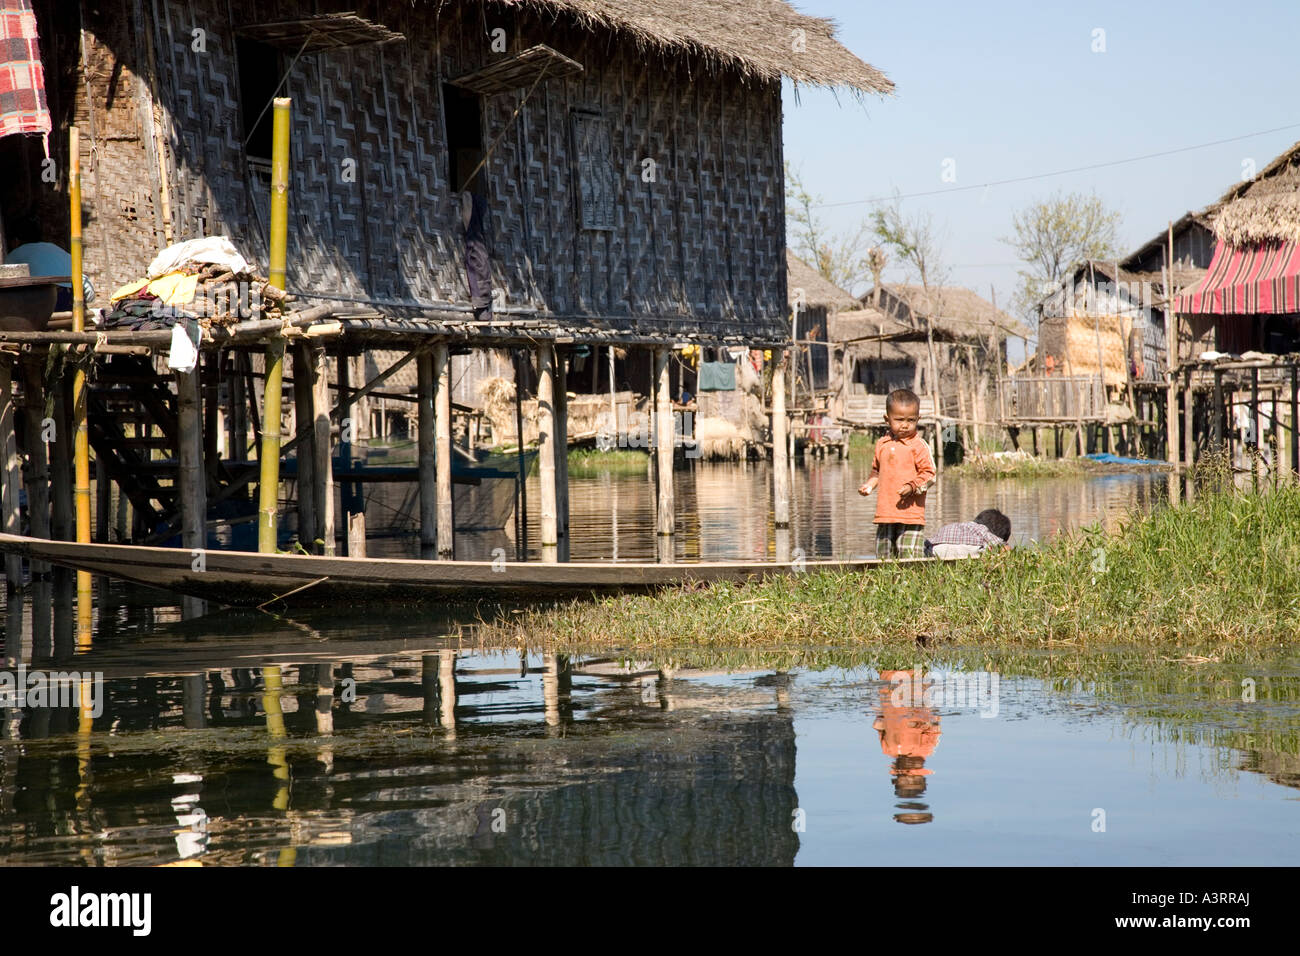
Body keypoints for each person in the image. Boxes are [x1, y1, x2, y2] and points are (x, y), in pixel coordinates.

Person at [857, 388, 936, 559]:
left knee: (909, 555)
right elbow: (876, 472)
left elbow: (930, 474)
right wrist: (869, 485)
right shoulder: (882, 444)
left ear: (918, 419)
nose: (905, 425)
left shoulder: (918, 445)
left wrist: (912, 486)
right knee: (884, 556)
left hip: (910, 515)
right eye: (899, 420)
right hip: (885, 513)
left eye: (911, 420)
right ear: (887, 419)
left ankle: (913, 585)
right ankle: (887, 585)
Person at [925, 508, 1011, 559]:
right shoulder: (982, 529)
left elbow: (928, 542)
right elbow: (1004, 547)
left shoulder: (955, 526)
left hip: (936, 550)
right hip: (968, 550)